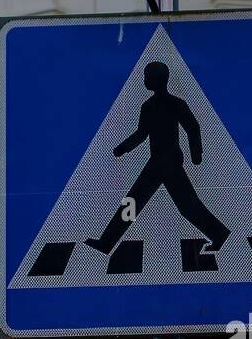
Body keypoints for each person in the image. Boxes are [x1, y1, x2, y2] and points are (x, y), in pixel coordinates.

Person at [85, 61, 231, 255]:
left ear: (157, 80)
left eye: (147, 76)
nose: (144, 80)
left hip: (169, 164)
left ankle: (220, 234)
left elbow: (192, 127)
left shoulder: (175, 104)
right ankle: (105, 243)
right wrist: (122, 148)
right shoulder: (148, 106)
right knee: (138, 203)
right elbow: (142, 134)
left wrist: (196, 155)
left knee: (180, 206)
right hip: (157, 163)